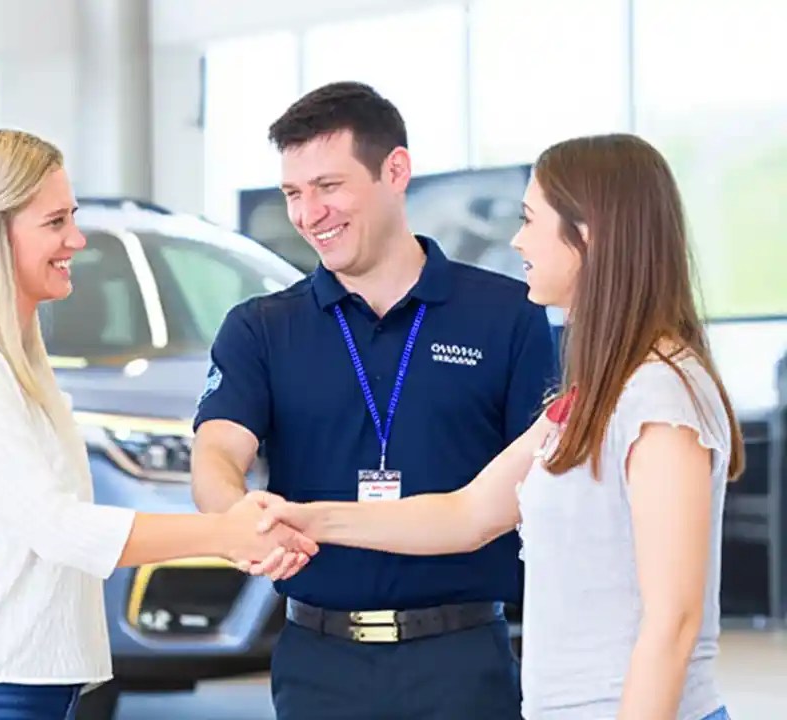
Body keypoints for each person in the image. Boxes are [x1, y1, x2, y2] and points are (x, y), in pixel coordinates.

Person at [258, 133, 741, 720]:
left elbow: (675, 621)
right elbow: (468, 514)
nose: (516, 241)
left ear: (587, 233)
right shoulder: (596, 394)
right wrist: (308, 519)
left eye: (530, 220)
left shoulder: (660, 395)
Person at [0, 129, 318, 720]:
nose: (76, 239)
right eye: (55, 222)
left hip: (27, 684)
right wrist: (225, 533)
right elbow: (61, 528)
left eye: (73, 217)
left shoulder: (15, 357)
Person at [191, 81, 557, 719]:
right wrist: (240, 516)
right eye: (293, 194)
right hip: (317, 660)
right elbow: (217, 448)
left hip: (464, 657)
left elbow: (542, 491)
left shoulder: (507, 316)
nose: (308, 215)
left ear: (396, 171)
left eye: (328, 187)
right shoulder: (261, 328)